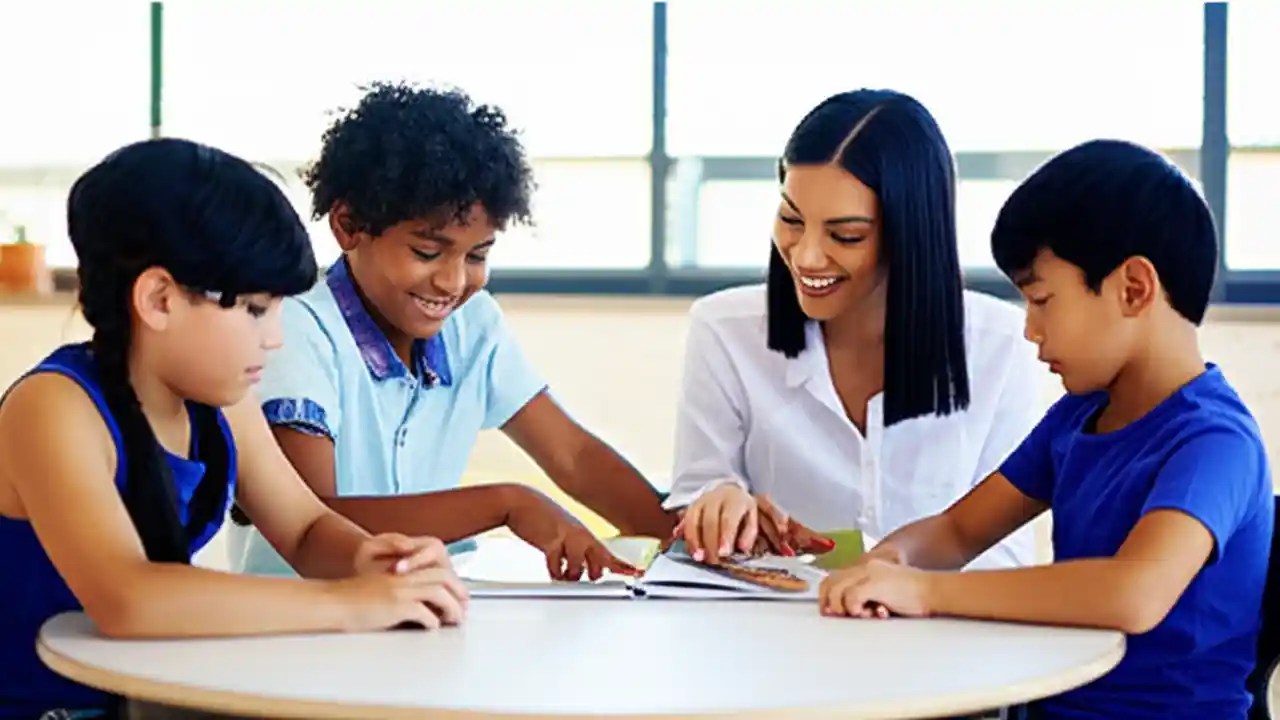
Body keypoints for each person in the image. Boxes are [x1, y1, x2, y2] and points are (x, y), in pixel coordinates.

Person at [0, 139, 469, 719]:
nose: (275, 337)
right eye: (253, 310)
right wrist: (348, 603)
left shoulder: (222, 400)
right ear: (159, 298)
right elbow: (128, 599)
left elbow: (303, 529)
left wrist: (375, 563)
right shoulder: (53, 409)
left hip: (155, 691)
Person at [818, 139, 1274, 720]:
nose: (1030, 330)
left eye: (1042, 299)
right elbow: (959, 531)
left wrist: (926, 593)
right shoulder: (1079, 416)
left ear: (1133, 287)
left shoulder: (1215, 443)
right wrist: (890, 562)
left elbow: (1132, 594)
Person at [227, 81, 674, 582]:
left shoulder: (473, 324)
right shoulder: (295, 328)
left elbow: (572, 455)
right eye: (426, 252)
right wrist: (505, 503)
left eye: (477, 255)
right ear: (349, 225)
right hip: (301, 626)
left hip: (423, 612)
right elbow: (314, 519)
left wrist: (685, 543)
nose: (454, 281)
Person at [666, 89, 1042, 568]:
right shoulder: (723, 331)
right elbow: (694, 501)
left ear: (910, 234)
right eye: (791, 220)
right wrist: (718, 506)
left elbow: (1005, 555)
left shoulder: (1002, 347)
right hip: (773, 634)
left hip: (942, 634)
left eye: (846, 236)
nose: (805, 256)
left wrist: (895, 585)